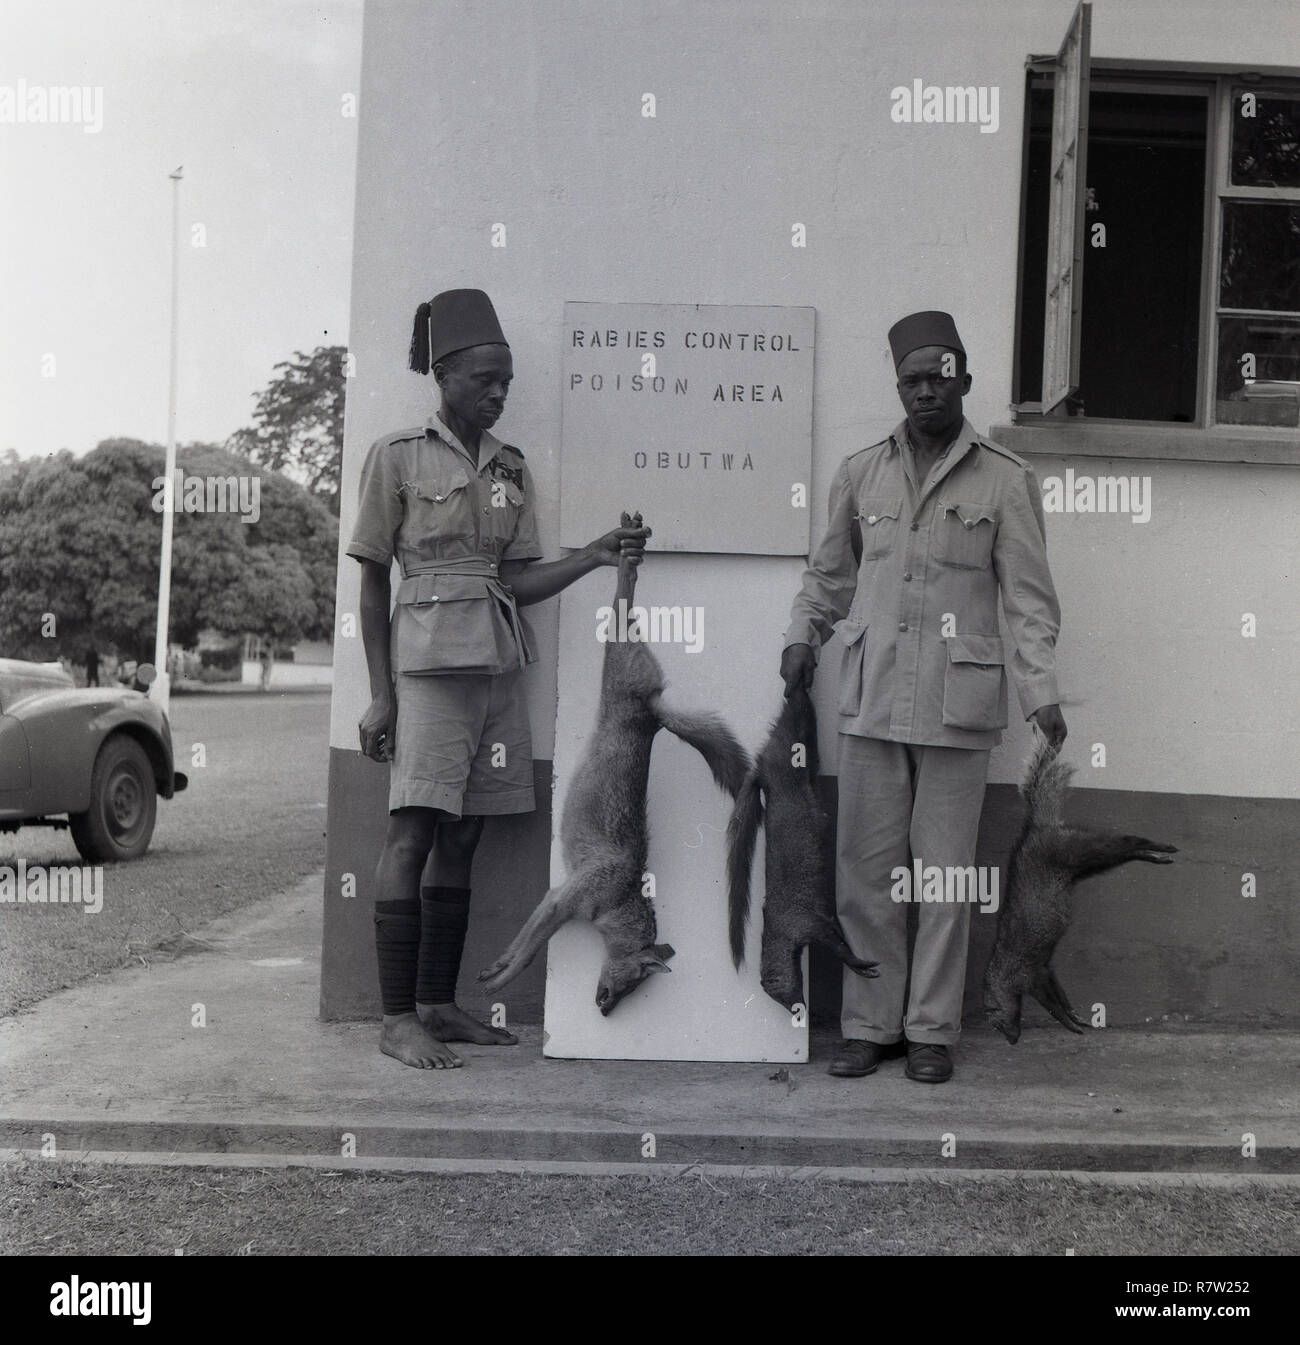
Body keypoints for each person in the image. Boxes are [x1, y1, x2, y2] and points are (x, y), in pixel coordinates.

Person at [348, 288, 649, 1071]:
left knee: (466, 831)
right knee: (412, 829)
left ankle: (442, 1005)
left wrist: (595, 553)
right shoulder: (397, 457)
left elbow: (516, 579)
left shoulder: (510, 469)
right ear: (443, 374)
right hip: (425, 672)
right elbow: (372, 583)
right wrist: (379, 692)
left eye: (506, 381)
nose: (499, 391)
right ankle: (395, 1016)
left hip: (494, 668)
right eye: (485, 378)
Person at [780, 310, 1066, 1084]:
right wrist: (803, 636)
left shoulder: (1004, 478)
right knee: (865, 869)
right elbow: (828, 577)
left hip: (957, 701)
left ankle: (932, 1028)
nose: (926, 392)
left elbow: (1029, 600)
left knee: (942, 874)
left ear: (965, 380)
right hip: (872, 695)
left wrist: (1041, 691)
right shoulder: (860, 472)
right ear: (898, 386)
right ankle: (872, 1025)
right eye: (912, 380)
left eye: (941, 377)